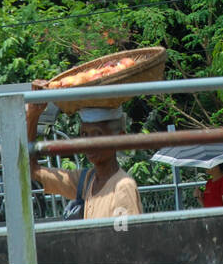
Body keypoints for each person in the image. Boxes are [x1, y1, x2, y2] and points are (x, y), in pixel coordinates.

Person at [27, 88, 141, 220]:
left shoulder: (122, 187)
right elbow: (31, 172)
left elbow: (128, 238)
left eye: (98, 134)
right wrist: (33, 116)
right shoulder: (87, 180)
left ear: (120, 139)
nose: (89, 143)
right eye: (84, 134)